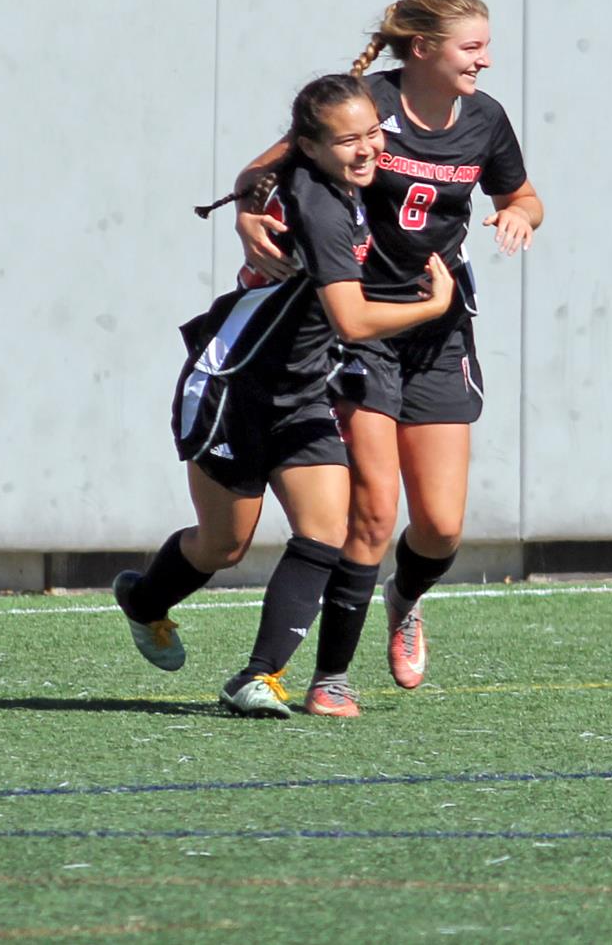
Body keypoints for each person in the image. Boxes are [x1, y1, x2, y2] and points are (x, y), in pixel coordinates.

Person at [228, 0, 544, 717]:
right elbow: (260, 173)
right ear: (423, 48)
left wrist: (519, 216)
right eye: (472, 47)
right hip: (362, 330)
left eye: (486, 46)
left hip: (439, 330)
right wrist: (248, 216)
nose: (485, 60)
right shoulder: (367, 105)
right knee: (373, 511)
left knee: (440, 525)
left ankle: (405, 597)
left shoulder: (486, 119)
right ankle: (331, 678)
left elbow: (526, 196)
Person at [114, 73, 457, 717]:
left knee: (325, 531)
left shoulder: (336, 181)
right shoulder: (320, 206)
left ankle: (258, 676)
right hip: (231, 389)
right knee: (224, 547)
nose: (368, 149)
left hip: (299, 394)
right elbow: (351, 320)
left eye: (373, 134)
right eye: (348, 141)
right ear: (309, 146)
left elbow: (262, 172)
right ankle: (143, 599)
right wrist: (433, 306)